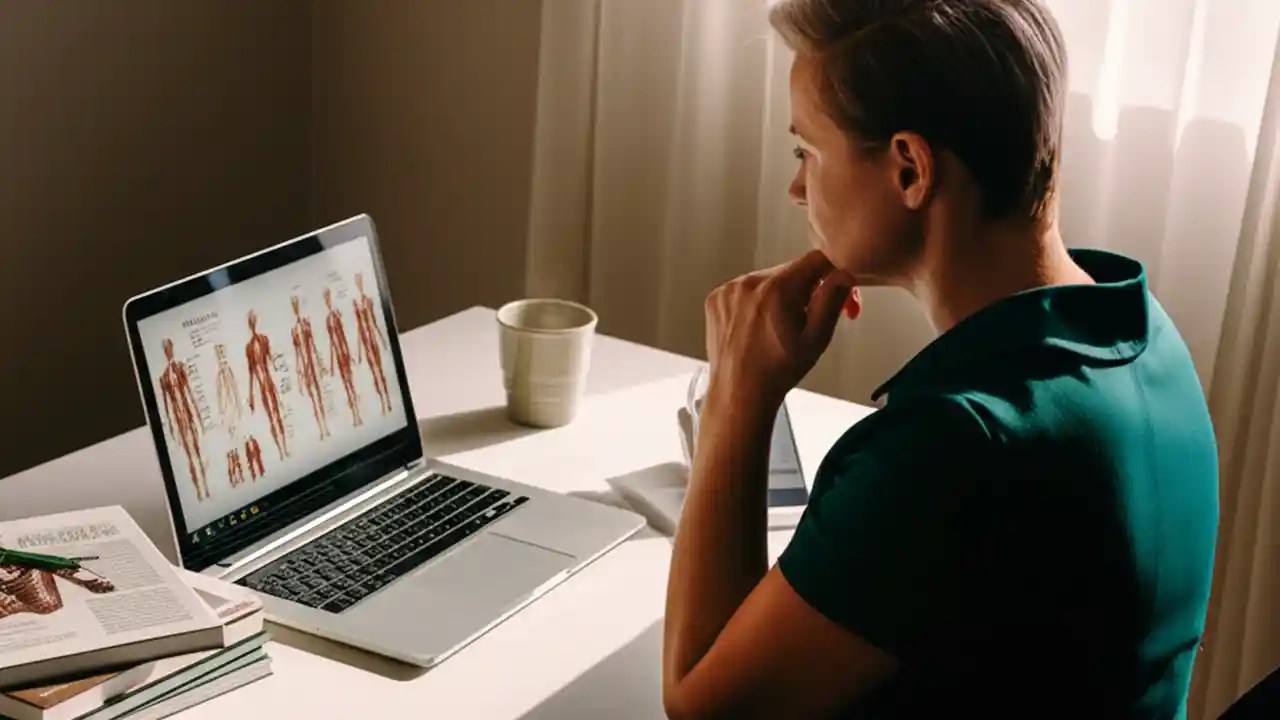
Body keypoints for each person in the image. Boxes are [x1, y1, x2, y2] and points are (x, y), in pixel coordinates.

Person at [660, 1, 1219, 718]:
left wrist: (739, 395)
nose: (798, 188)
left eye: (808, 152)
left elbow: (701, 706)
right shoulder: (1146, 338)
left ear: (909, 170)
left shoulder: (952, 448)